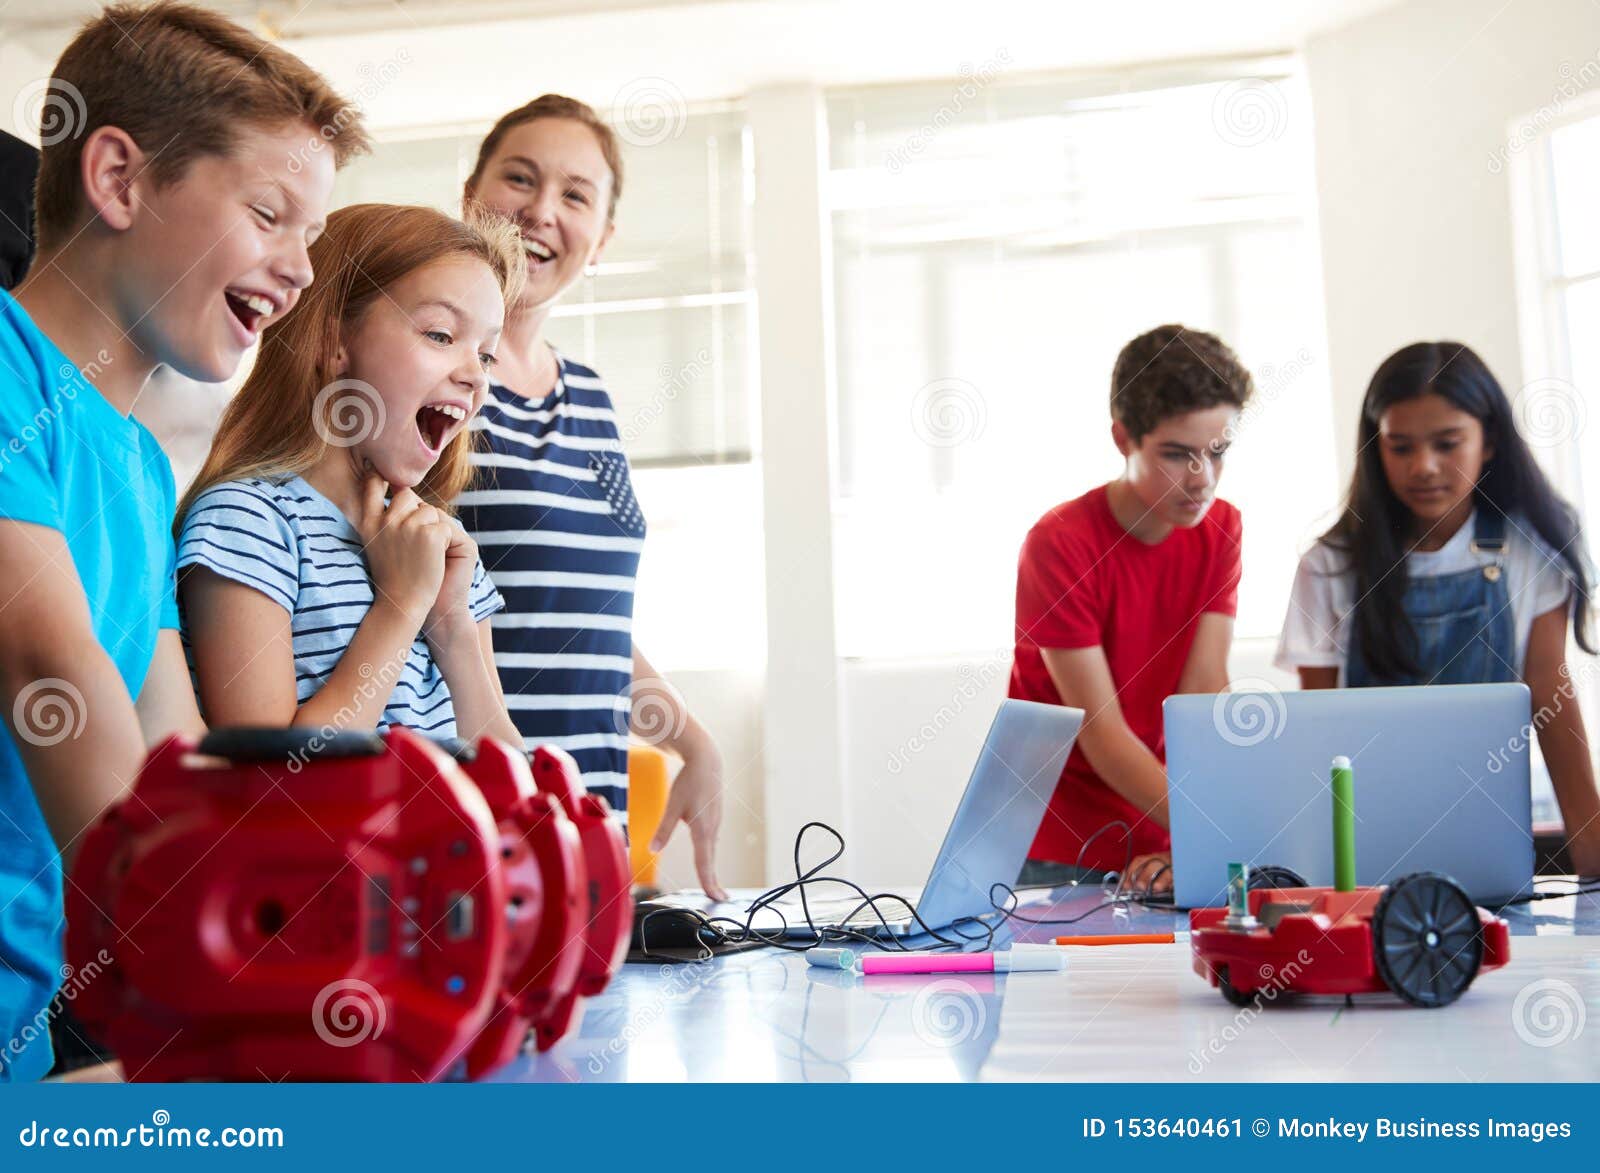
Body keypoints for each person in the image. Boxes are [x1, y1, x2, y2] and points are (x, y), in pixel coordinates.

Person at [0, 0, 364, 1080]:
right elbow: (46, 668)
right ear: (118, 179)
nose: (299, 272)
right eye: (270, 214)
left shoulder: (142, 464)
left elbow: (169, 747)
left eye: (312, 236)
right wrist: (220, 978)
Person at [456, 95, 727, 898]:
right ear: (470, 195)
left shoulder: (593, 397)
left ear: (602, 239)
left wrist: (693, 740)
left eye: (575, 195)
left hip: (590, 827)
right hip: (481, 825)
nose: (542, 210)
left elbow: (588, 621)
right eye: (520, 179)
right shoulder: (437, 375)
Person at [178, 205, 524, 749]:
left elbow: (509, 776)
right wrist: (400, 607)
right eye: (439, 335)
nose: (473, 375)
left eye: (487, 355)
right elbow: (276, 789)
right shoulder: (248, 523)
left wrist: (453, 625)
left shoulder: (436, 545)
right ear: (332, 343)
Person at [1277, 341, 1600, 874]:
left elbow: (1550, 696)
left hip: (1493, 835)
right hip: (1362, 847)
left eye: (1447, 443)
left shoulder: (1532, 548)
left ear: (1489, 440)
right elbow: (1319, 732)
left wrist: (1590, 848)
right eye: (1400, 447)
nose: (1424, 467)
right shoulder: (1331, 564)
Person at [1009, 325, 1253, 894]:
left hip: (1168, 827)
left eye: (1218, 452)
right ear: (1124, 438)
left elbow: (1202, 695)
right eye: (1178, 455)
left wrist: (1211, 830)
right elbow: (1102, 734)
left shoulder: (1223, 529)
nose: (1203, 479)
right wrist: (1219, 832)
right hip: (1062, 841)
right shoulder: (1059, 542)